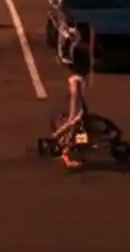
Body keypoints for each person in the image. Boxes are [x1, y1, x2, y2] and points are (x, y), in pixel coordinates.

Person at [52, 22, 94, 169]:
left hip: (77, 80)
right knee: (75, 118)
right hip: (78, 81)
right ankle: (62, 145)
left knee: (79, 116)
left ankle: (69, 142)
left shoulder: (77, 46)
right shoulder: (81, 48)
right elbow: (85, 67)